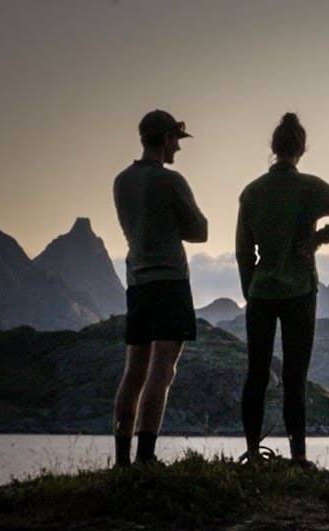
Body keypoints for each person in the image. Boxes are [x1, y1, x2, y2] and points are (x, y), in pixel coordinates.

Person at [237, 113, 329, 464]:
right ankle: (298, 456)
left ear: (273, 147)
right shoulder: (310, 187)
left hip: (262, 292)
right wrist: (317, 240)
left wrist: (250, 289)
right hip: (300, 290)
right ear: (302, 149)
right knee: (296, 376)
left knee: (256, 374)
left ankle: (252, 453)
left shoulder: (252, 192)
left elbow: (243, 252)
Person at [111, 109, 208, 466]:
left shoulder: (121, 182)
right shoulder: (171, 181)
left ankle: (122, 460)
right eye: (176, 141)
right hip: (169, 282)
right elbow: (200, 231)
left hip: (137, 283)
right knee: (162, 371)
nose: (178, 149)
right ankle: (146, 457)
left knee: (133, 372)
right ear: (166, 138)